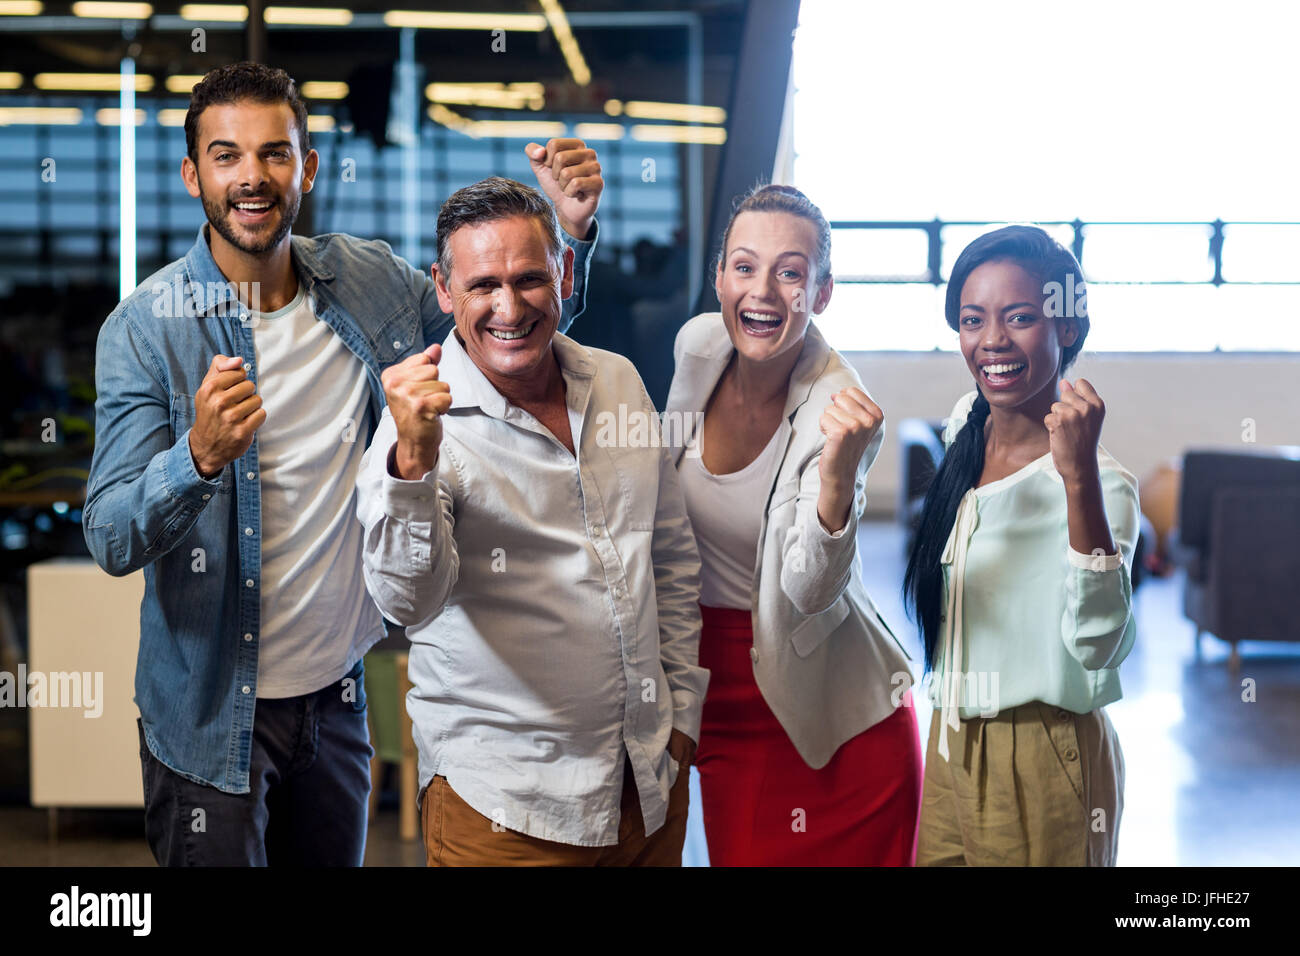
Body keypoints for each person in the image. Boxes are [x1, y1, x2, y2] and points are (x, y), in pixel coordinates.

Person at [82, 62, 604, 866]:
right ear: (193, 175)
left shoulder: (369, 283)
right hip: (213, 717)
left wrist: (568, 236)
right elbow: (110, 536)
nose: (252, 178)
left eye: (275, 154)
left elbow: (505, 321)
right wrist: (197, 457)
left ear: (308, 167)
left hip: (338, 701)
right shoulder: (146, 330)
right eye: (227, 156)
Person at [354, 177, 707, 866]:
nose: (508, 307)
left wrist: (682, 713)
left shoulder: (618, 381)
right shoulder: (418, 430)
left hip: (649, 788)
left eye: (528, 279)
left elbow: (668, 557)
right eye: (482, 284)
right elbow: (407, 602)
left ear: (565, 273)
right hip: (507, 816)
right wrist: (415, 465)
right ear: (444, 290)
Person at [663, 184, 921, 866]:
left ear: (822, 291)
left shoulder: (840, 406)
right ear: (720, 275)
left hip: (826, 714)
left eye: (791, 273)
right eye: (745, 267)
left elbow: (808, 590)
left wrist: (837, 474)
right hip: (707, 680)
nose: (764, 293)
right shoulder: (698, 349)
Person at [903, 225, 1139, 866]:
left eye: (1020, 317)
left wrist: (1079, 477)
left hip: (1041, 751)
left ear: (1066, 327)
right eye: (973, 319)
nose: (992, 341)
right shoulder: (965, 430)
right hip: (952, 739)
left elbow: (1100, 645)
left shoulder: (1103, 484)